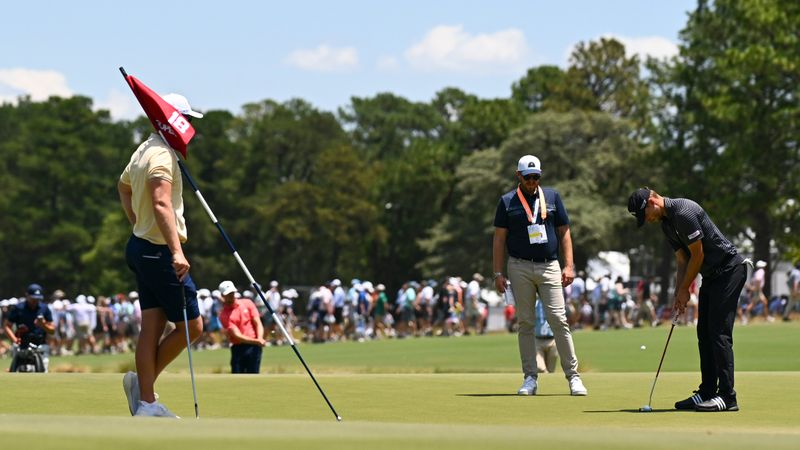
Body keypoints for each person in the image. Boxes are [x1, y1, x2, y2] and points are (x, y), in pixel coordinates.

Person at [118, 93, 205, 418]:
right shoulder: (161, 157)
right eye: (187, 121)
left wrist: (135, 221)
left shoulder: (144, 149)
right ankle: (144, 388)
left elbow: (123, 187)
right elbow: (160, 203)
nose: (190, 128)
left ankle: (147, 402)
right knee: (192, 326)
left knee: (152, 325)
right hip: (158, 252)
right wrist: (176, 251)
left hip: (141, 246)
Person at [628, 188, 747, 412]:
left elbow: (698, 254)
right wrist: (678, 292)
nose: (648, 220)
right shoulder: (667, 224)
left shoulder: (684, 212)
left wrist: (685, 288)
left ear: (652, 201)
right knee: (704, 333)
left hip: (730, 270)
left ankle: (728, 397)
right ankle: (708, 391)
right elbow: (683, 260)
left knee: (718, 333)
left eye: (646, 214)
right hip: (712, 276)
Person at [493, 155, 587, 396]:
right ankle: (530, 378)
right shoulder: (507, 202)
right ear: (518, 176)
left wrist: (569, 266)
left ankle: (573, 377)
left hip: (549, 266)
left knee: (558, 319)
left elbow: (564, 232)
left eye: (536, 178)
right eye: (528, 178)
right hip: (519, 266)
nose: (532, 182)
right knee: (525, 323)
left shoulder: (553, 197)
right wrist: (497, 273)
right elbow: (499, 239)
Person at [3, 284, 55, 372]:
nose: (35, 301)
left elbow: (52, 330)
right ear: (27, 295)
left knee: (43, 370)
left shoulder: (44, 308)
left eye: (37, 299)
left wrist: (43, 325)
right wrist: (14, 339)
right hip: (21, 344)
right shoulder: (19, 308)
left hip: (40, 343)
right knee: (16, 370)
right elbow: (7, 326)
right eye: (33, 298)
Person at [218, 280, 266, 373]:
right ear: (222, 296)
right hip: (238, 348)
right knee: (237, 378)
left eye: (232, 292)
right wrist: (258, 341)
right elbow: (237, 336)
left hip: (254, 348)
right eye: (228, 294)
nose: (231, 295)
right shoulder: (223, 315)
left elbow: (257, 322)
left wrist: (260, 337)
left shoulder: (247, 303)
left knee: (254, 378)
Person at [534, 298, 557, 373]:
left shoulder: (554, 303)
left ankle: (548, 383)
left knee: (551, 371)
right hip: (538, 341)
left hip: (552, 340)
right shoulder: (535, 304)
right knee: (540, 368)